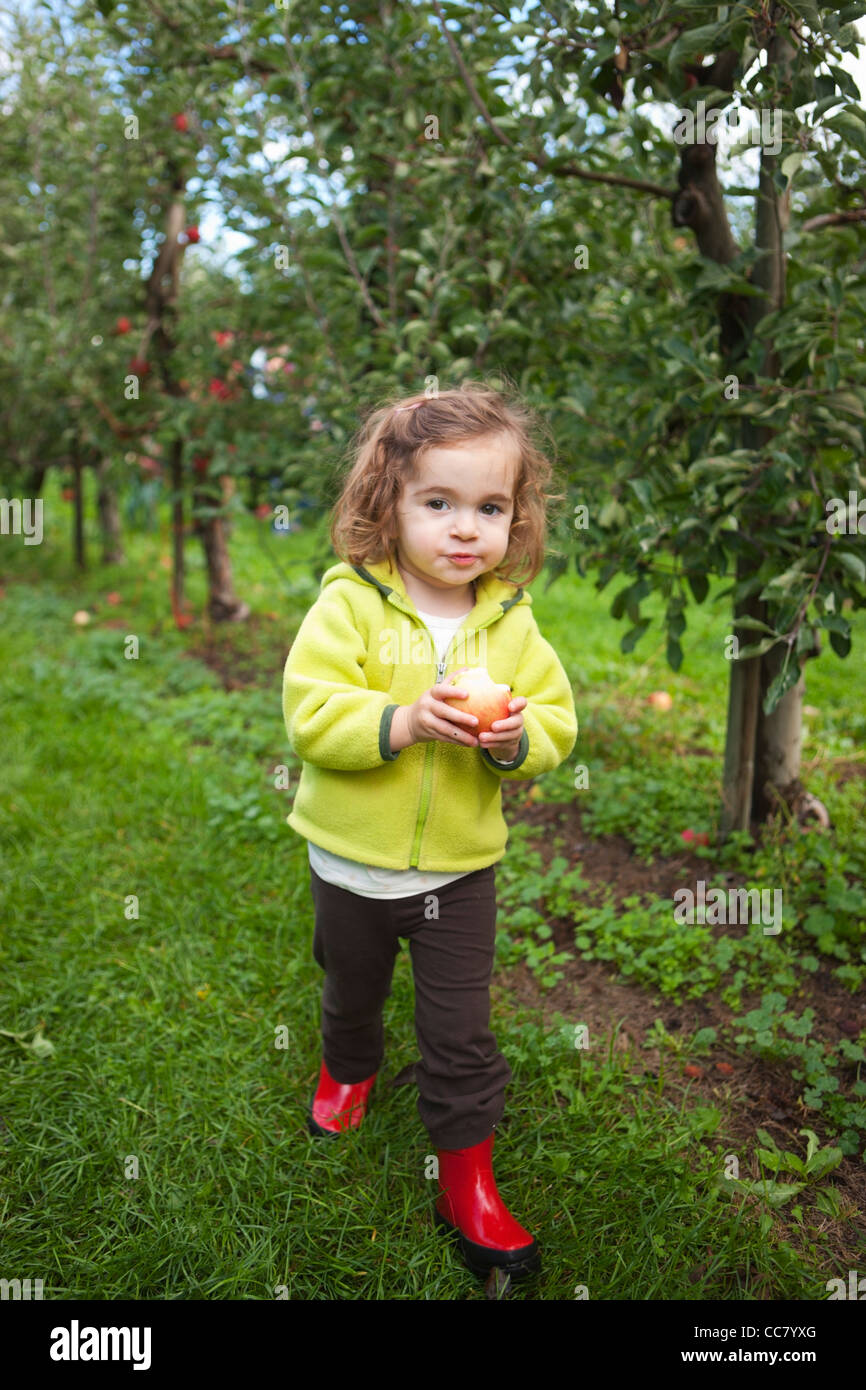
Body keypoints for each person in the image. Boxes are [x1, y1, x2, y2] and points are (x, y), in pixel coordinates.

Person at [281, 381, 577, 1281]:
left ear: (516, 518)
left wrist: (515, 738)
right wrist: (402, 722)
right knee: (352, 990)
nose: (464, 528)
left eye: (489, 507)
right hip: (352, 865)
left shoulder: (511, 625)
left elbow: (558, 725)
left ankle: (467, 1180)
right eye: (438, 503)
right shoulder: (351, 606)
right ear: (389, 503)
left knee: (461, 1029)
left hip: (457, 876)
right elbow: (311, 713)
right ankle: (349, 1070)